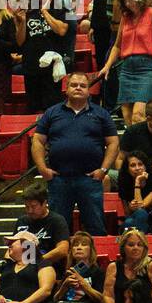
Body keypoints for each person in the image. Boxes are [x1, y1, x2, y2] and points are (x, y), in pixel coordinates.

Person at [32, 71, 118, 238]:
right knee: (57, 229)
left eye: (83, 85)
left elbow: (113, 143)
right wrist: (42, 169)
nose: (78, 88)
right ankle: (58, 264)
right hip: (59, 179)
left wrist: (104, 169)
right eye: (74, 85)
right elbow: (37, 141)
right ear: (66, 88)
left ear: (88, 90)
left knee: (96, 226)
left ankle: (96, 262)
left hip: (90, 179)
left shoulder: (101, 114)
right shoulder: (52, 113)